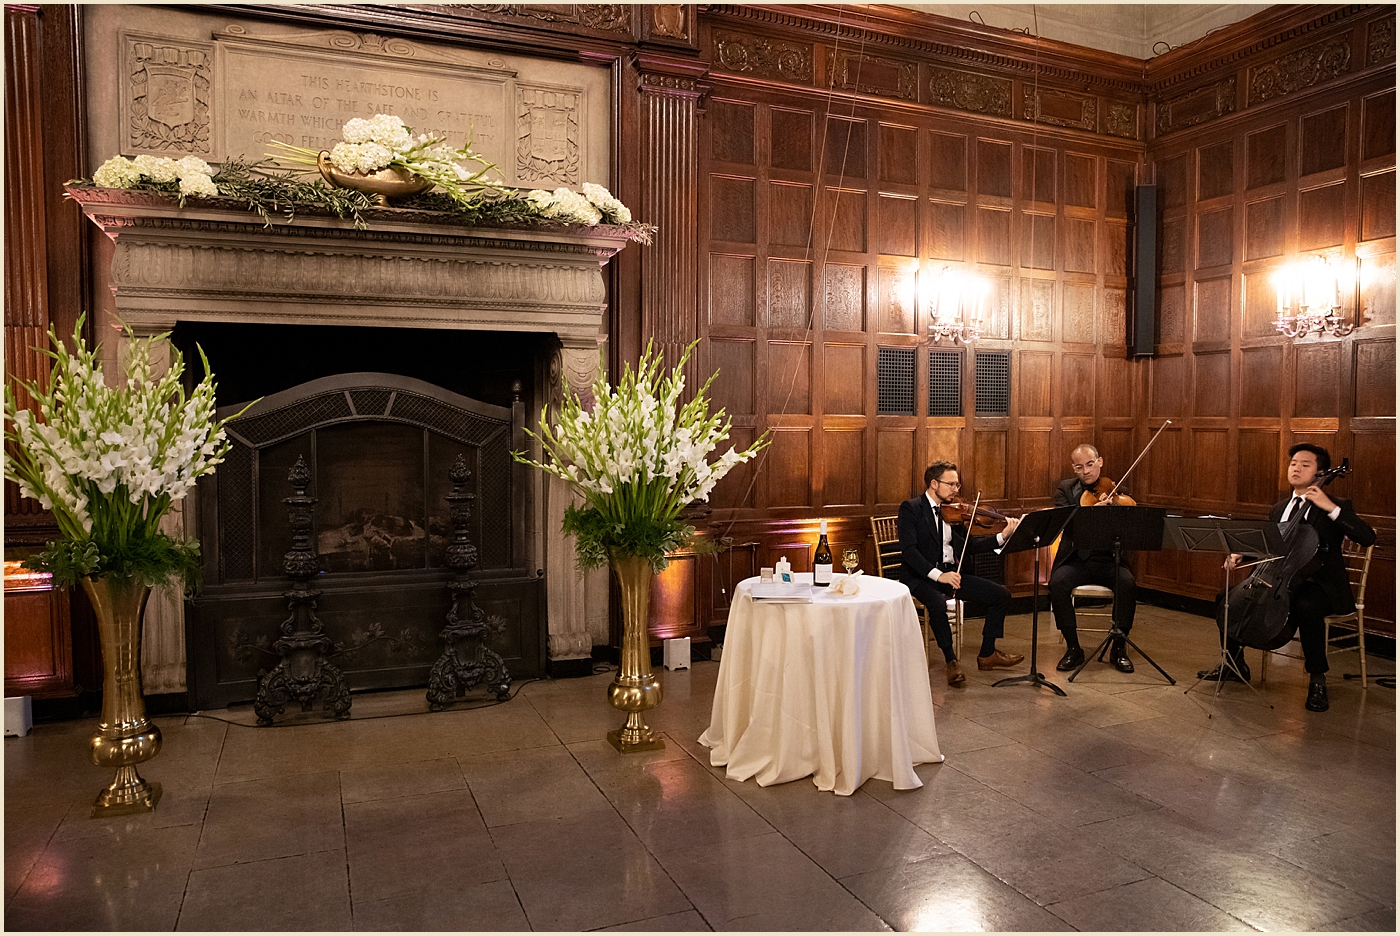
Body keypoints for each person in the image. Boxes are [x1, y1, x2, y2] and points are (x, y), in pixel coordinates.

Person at [1199, 443, 1375, 712]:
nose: (1296, 468)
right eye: (1293, 463)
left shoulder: (1336, 505)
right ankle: (1234, 664)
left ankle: (1317, 679)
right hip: (1282, 580)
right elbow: (1272, 544)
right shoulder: (1279, 508)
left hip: (1321, 585)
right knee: (1227, 598)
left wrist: (1329, 507)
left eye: (1305, 464)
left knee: (1306, 606)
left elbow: (1367, 537)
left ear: (1320, 473)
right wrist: (1241, 554)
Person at [898, 461, 1023, 687]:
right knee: (937, 603)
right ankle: (951, 660)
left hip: (950, 574)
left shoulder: (953, 512)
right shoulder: (911, 508)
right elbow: (909, 551)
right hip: (920, 576)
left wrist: (1002, 536)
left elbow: (970, 545)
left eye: (957, 484)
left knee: (1000, 595)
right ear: (934, 484)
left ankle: (987, 654)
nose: (956, 489)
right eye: (951, 484)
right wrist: (938, 575)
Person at [1050, 444, 1137, 673]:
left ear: (1100, 462)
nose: (1086, 471)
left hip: (1108, 560)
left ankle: (1119, 647)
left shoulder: (1117, 490)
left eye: (1090, 464)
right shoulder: (1065, 490)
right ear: (1074, 468)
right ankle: (1073, 648)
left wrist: (1112, 513)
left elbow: (1129, 528)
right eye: (1079, 467)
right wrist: (1091, 514)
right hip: (1076, 560)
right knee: (1057, 583)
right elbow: (1064, 523)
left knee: (1127, 583)